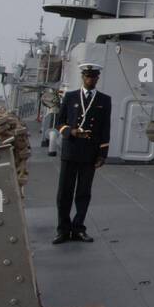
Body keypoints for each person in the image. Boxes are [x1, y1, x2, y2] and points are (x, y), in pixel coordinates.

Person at [54, 63, 110, 244]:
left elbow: (105, 128)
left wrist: (103, 154)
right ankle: (63, 229)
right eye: (87, 76)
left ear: (97, 79)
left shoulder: (104, 100)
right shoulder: (70, 97)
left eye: (93, 77)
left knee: (83, 193)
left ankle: (79, 228)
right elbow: (59, 122)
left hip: (90, 153)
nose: (90, 79)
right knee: (64, 192)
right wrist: (70, 131)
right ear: (83, 78)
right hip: (70, 150)